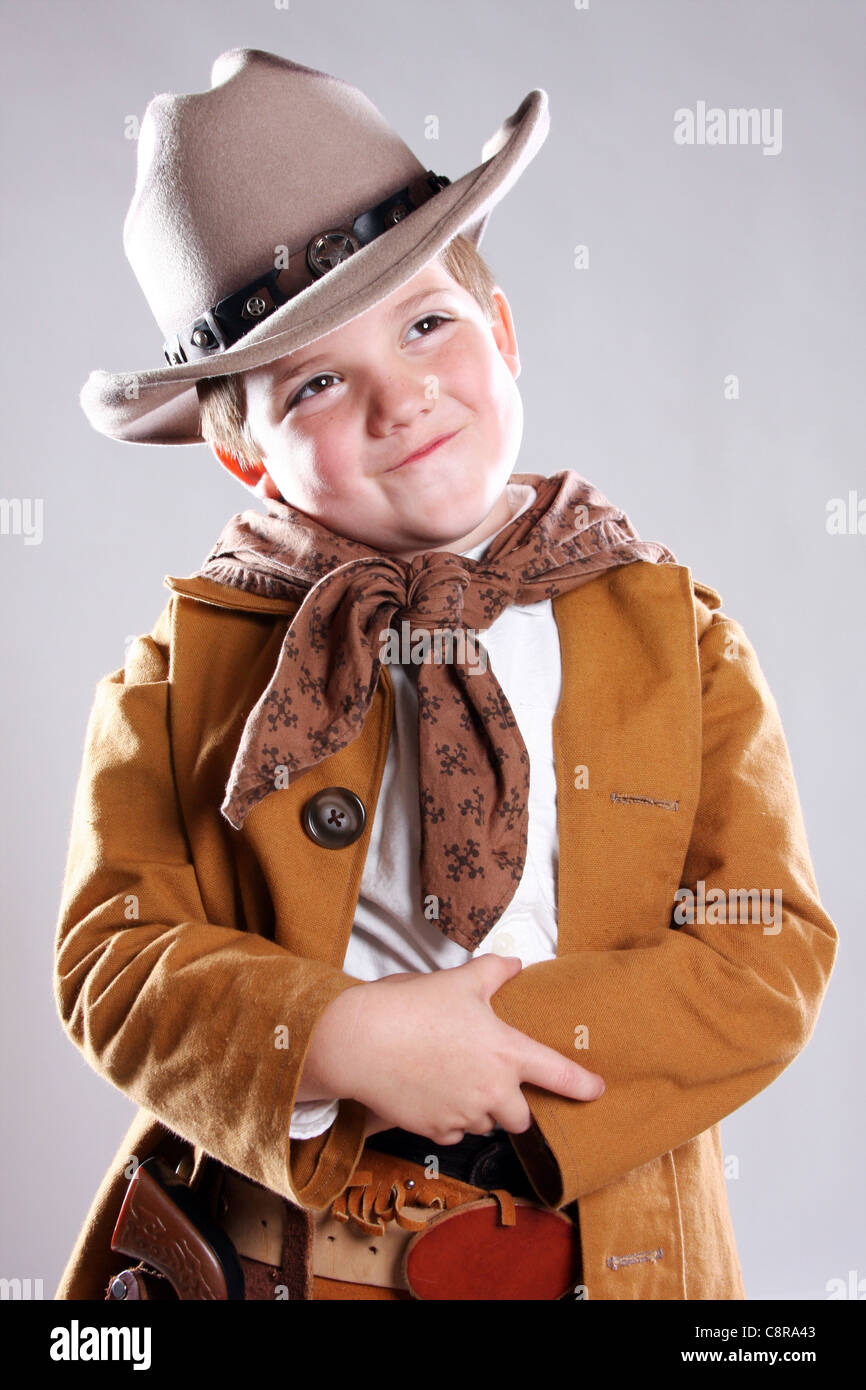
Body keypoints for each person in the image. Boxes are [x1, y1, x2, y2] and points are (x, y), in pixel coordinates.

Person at [53, 47, 837, 1301]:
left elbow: (768, 951)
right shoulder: (177, 669)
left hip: (595, 1255)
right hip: (279, 1258)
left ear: (503, 331)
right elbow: (112, 955)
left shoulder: (673, 632)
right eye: (316, 381)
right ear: (246, 461)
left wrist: (501, 1042)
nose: (400, 397)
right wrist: (343, 1038)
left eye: (427, 323)